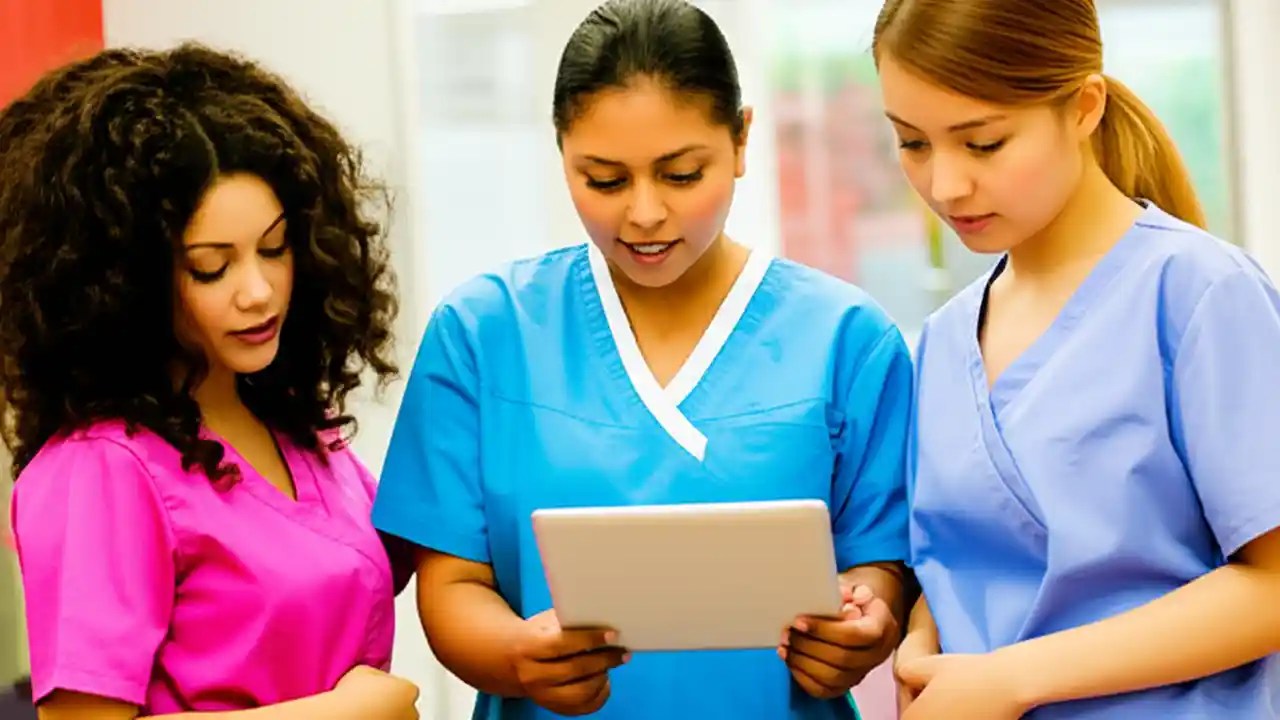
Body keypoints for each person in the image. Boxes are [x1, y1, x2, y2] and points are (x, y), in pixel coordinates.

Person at [371, 0, 915, 717]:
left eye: (683, 174)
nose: (645, 213)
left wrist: (865, 622)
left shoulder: (848, 339)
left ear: (742, 138)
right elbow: (453, 583)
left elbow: (882, 563)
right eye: (604, 180)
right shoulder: (482, 334)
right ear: (560, 148)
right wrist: (516, 657)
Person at [871, 0, 1280, 718]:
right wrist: (919, 641)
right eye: (912, 144)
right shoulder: (941, 340)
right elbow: (966, 560)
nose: (945, 186)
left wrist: (1012, 679)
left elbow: (1273, 584)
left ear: (1084, 106)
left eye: (984, 143)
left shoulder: (1200, 294)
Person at [1, 44, 421, 720]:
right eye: (210, 267)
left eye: (275, 249)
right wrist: (342, 716)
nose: (258, 292)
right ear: (123, 281)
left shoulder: (287, 427)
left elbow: (405, 546)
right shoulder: (103, 470)